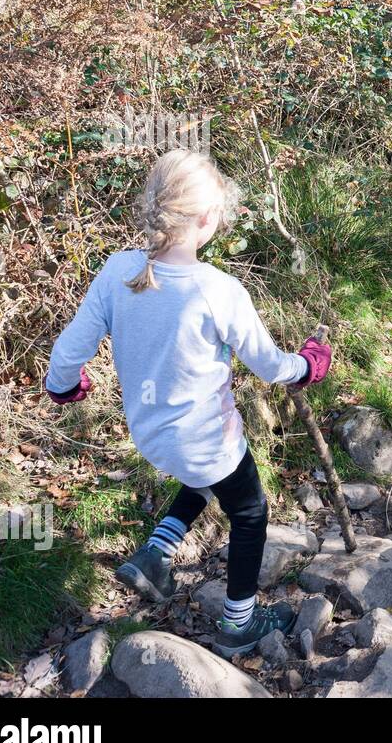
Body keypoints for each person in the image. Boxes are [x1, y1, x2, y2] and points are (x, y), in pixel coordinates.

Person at [45, 149, 331, 657]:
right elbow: (271, 367)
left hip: (151, 435)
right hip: (208, 440)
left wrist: (65, 386)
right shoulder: (218, 290)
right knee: (249, 512)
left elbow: (67, 354)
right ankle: (240, 621)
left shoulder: (118, 271)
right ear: (205, 219)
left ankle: (154, 554)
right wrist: (309, 365)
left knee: (199, 479)